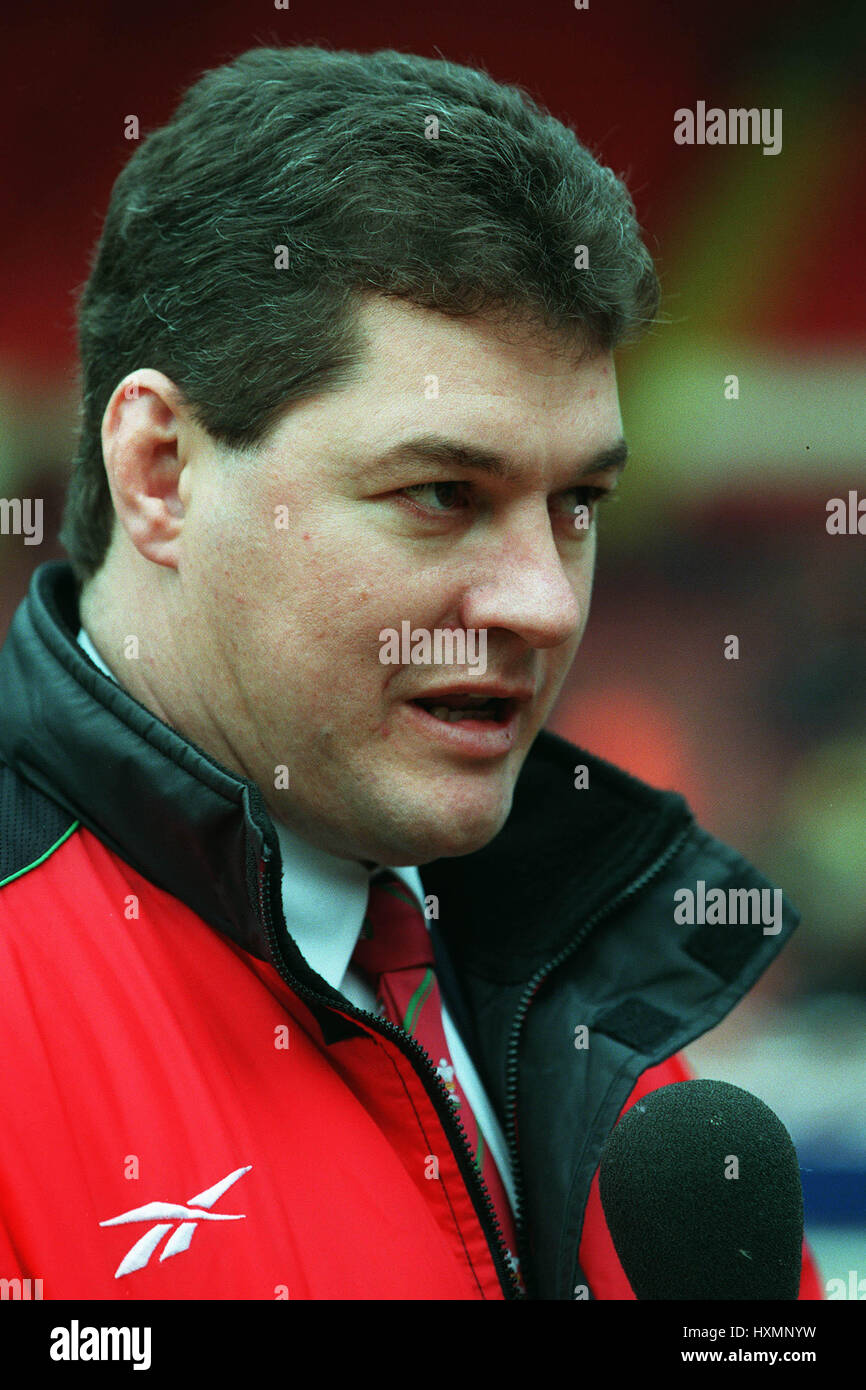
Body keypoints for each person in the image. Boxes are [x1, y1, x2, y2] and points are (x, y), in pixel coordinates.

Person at [0, 44, 821, 1300]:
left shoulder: (581, 977)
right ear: (160, 471)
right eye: (443, 493)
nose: (544, 602)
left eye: (578, 501)